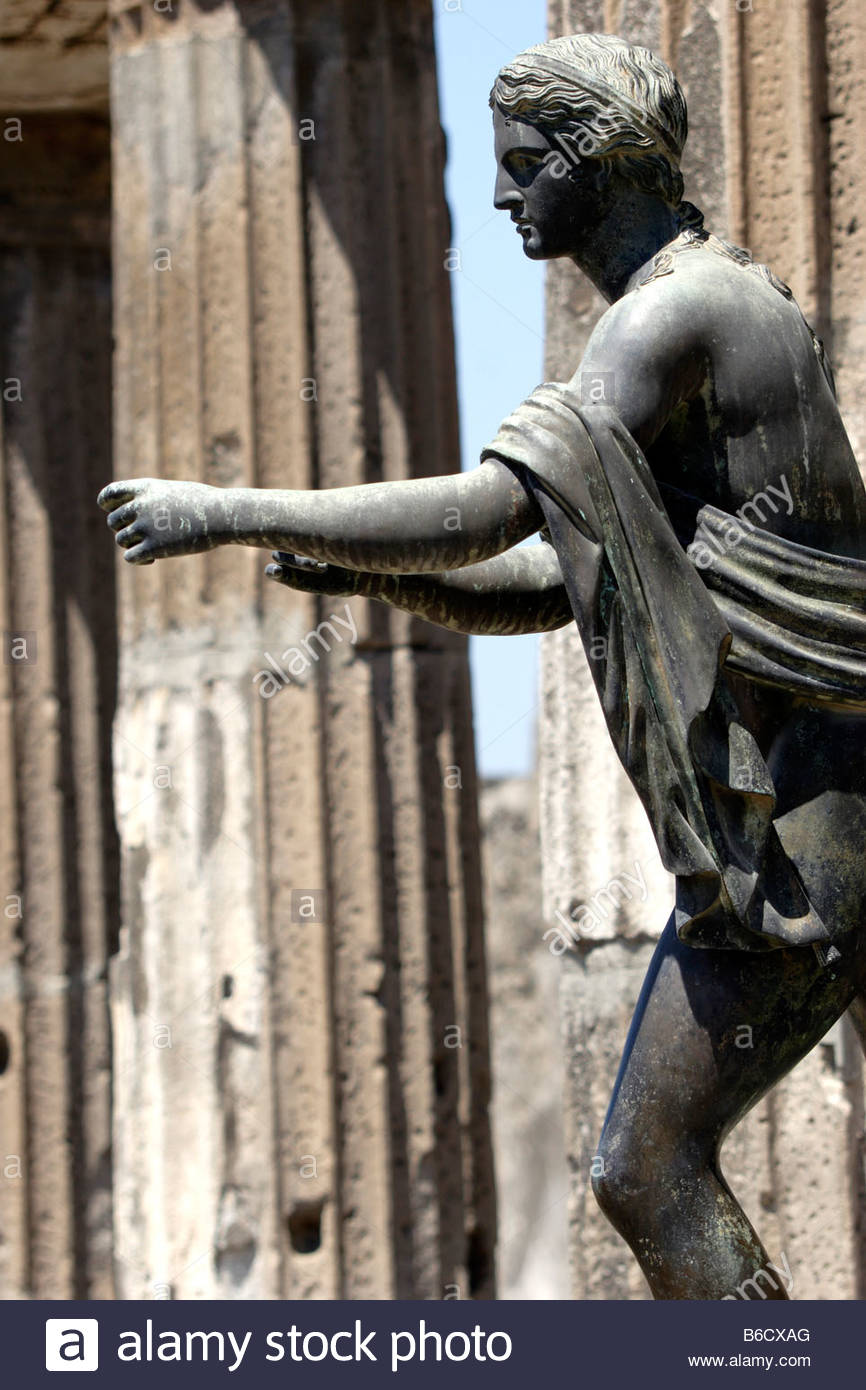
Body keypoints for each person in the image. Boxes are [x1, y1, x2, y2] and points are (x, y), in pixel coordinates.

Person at [100, 33, 866, 1300]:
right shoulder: (703, 299)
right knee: (652, 1163)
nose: (502, 196)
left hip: (816, 813)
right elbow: (545, 582)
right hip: (813, 793)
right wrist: (368, 575)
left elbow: (489, 512)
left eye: (522, 166)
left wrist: (228, 509)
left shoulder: (672, 314)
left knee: (647, 1167)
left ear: (591, 158)